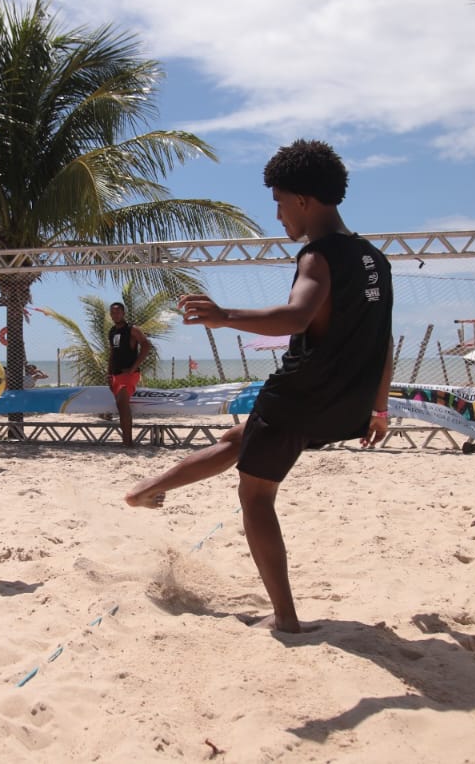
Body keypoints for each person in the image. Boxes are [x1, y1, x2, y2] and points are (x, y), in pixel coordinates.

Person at [125, 139, 394, 634]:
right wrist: (378, 408)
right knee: (240, 440)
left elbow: (296, 316)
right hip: (346, 404)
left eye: (279, 202)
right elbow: (385, 340)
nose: (277, 215)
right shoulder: (375, 259)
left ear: (303, 201)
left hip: (300, 396)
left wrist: (225, 315)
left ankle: (285, 618)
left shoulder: (317, 256)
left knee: (256, 497)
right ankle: (147, 489)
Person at [107, 301, 150, 446]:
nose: (115, 315)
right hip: (116, 375)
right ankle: (126, 442)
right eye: (112, 312)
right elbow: (112, 353)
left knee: (122, 405)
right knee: (121, 406)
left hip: (129, 375)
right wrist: (109, 373)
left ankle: (128, 443)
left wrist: (133, 368)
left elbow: (146, 346)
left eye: (118, 312)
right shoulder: (112, 331)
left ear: (123, 313)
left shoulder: (132, 329)